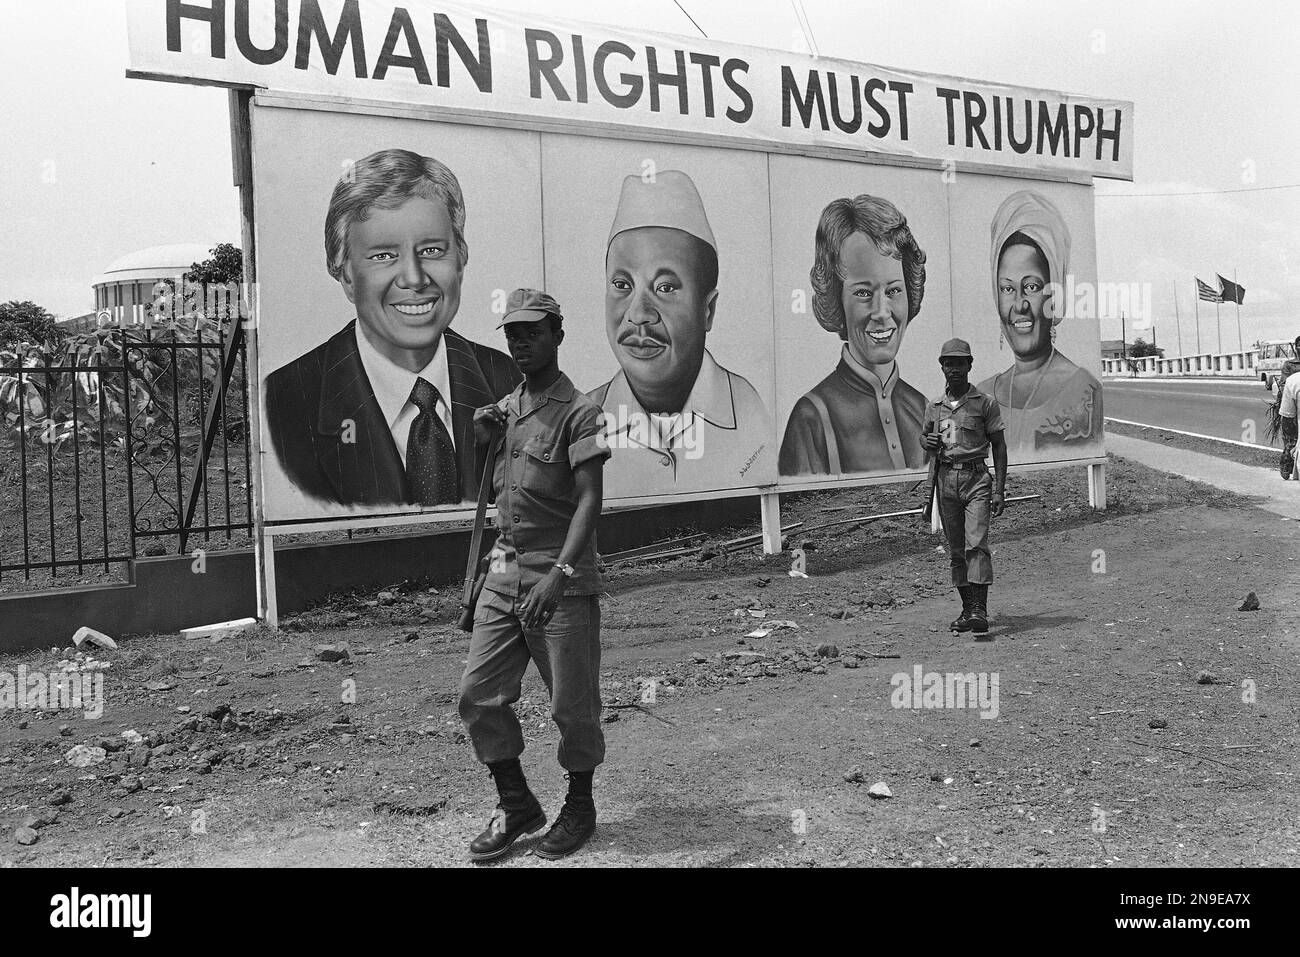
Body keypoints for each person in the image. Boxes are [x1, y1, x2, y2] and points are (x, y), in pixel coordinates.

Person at [264, 148, 520, 508]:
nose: (414, 279)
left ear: (461, 258)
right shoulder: (286, 399)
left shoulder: (508, 378)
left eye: (432, 250)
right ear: (346, 274)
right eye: (383, 255)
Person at [459, 289, 610, 862]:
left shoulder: (580, 412)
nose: (520, 343)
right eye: (512, 335)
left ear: (558, 336)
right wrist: (481, 441)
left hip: (561, 576)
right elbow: (499, 495)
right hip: (504, 571)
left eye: (532, 332)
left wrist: (562, 574)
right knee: (477, 694)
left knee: (572, 705)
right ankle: (516, 801)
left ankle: (580, 805)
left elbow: (591, 500)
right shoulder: (505, 410)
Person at [589, 170, 774, 498]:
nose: (639, 314)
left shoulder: (748, 410)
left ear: (708, 310)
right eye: (622, 286)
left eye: (665, 287)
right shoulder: (585, 419)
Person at [780, 194, 928, 476]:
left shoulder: (921, 407)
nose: (882, 312)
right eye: (863, 293)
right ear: (837, 300)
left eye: (894, 290)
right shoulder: (811, 418)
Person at [976, 190, 1103, 457]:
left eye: (1031, 287)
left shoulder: (1084, 394)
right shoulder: (983, 394)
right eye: (1007, 289)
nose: (1019, 305)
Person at [920, 338, 1008, 636]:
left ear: (969, 365)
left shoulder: (985, 404)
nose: (954, 368)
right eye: (948, 363)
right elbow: (925, 439)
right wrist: (927, 441)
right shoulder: (934, 407)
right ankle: (967, 609)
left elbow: (999, 445)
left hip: (976, 480)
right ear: (941, 367)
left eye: (960, 363)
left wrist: (999, 490)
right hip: (946, 483)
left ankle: (980, 609)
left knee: (976, 544)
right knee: (957, 549)